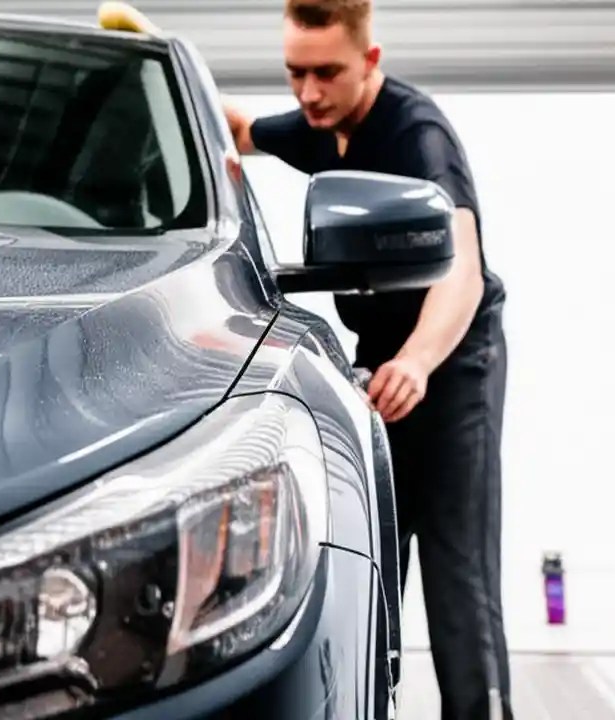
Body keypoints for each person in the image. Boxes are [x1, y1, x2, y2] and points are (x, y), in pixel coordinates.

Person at [221, 1, 513, 719]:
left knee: (456, 571)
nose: (309, 92)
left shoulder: (417, 136)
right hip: (377, 360)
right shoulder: (323, 122)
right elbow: (234, 130)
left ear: (370, 63)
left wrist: (416, 363)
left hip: (450, 360)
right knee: (376, 554)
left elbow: (463, 274)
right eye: (295, 74)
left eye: (327, 73)